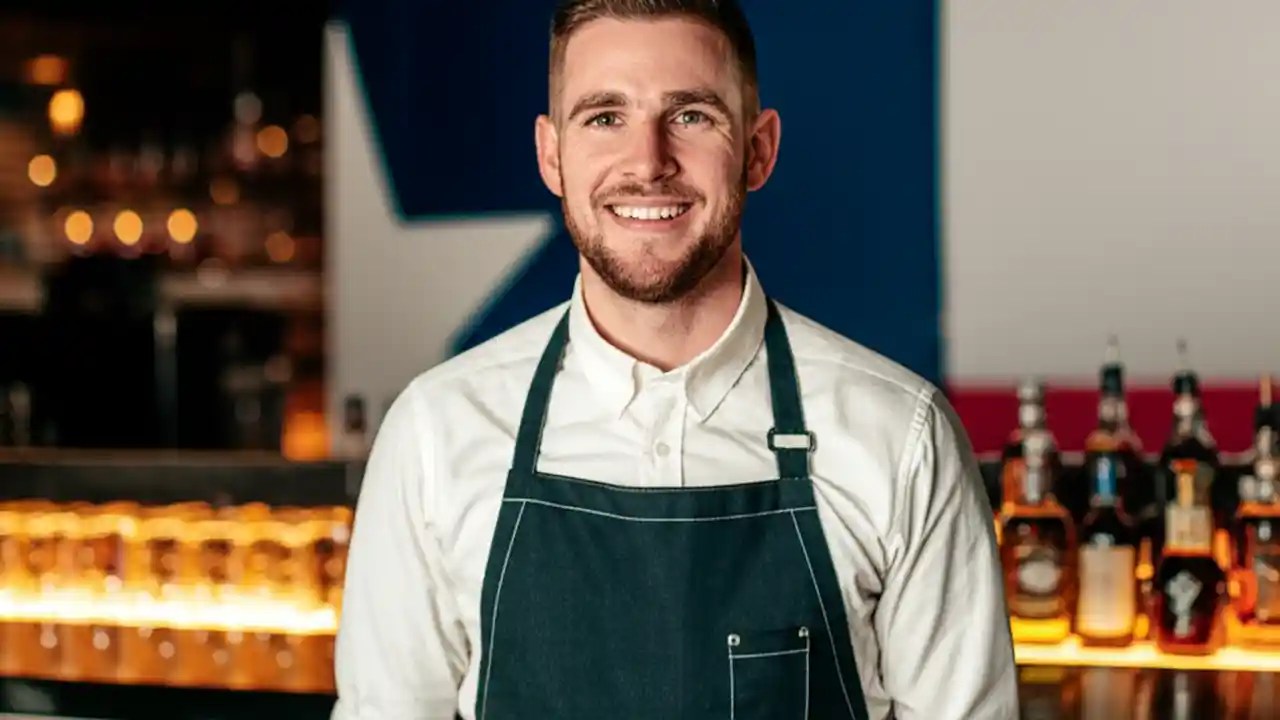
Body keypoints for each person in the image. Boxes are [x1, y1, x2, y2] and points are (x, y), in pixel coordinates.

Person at [332, 1, 1017, 718]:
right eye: (605, 117)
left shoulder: (900, 436)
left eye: (690, 116)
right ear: (550, 154)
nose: (648, 163)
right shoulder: (435, 432)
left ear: (758, 150)